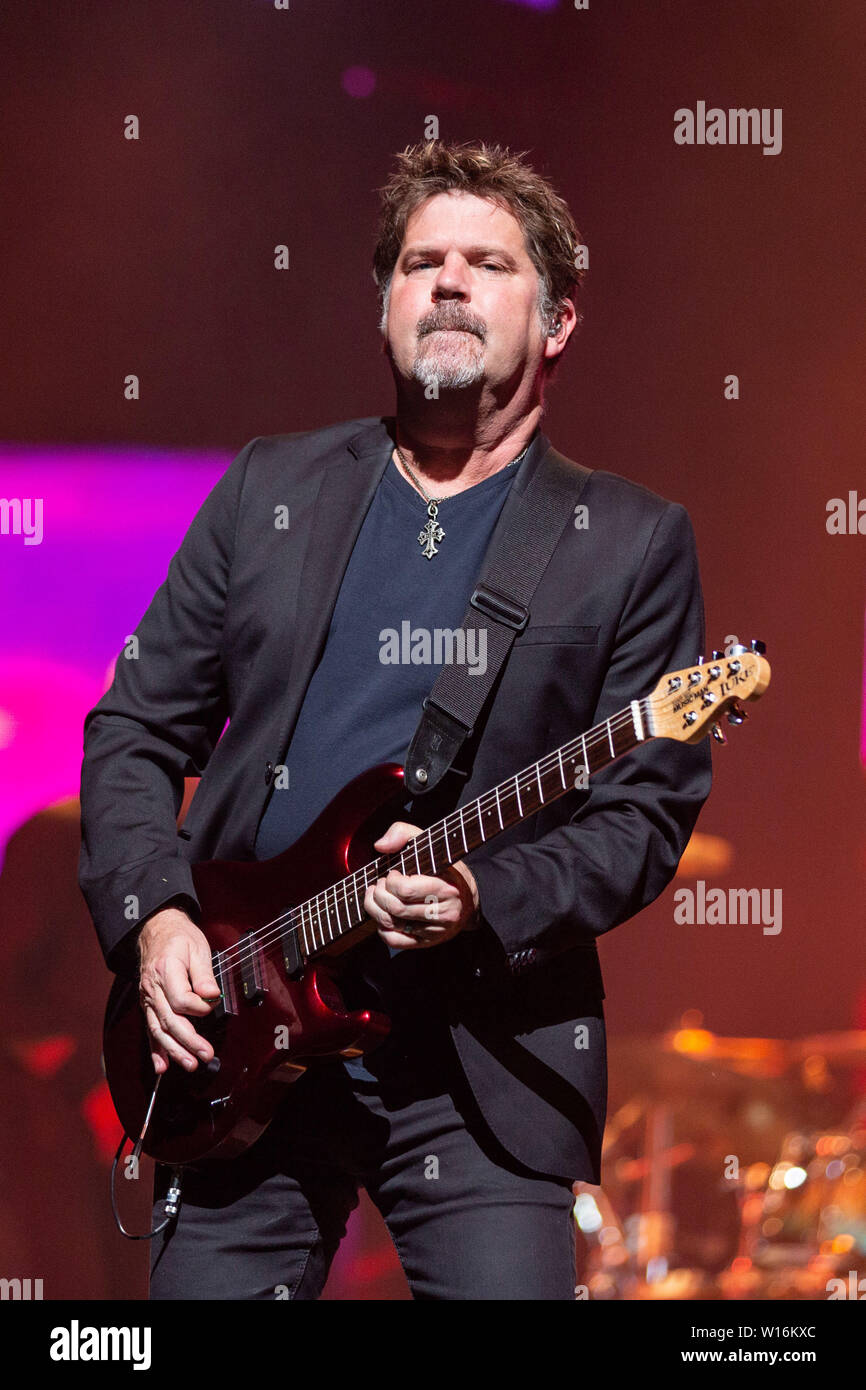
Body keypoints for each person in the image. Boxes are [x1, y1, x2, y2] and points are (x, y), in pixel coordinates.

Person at [78, 140, 713, 1300]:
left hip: (484, 1063)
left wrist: (483, 896)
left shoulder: (627, 540)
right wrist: (157, 920)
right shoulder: (269, 490)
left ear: (558, 320)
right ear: (383, 307)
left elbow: (642, 816)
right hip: (244, 1026)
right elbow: (132, 726)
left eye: (487, 262)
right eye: (420, 263)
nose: (449, 283)